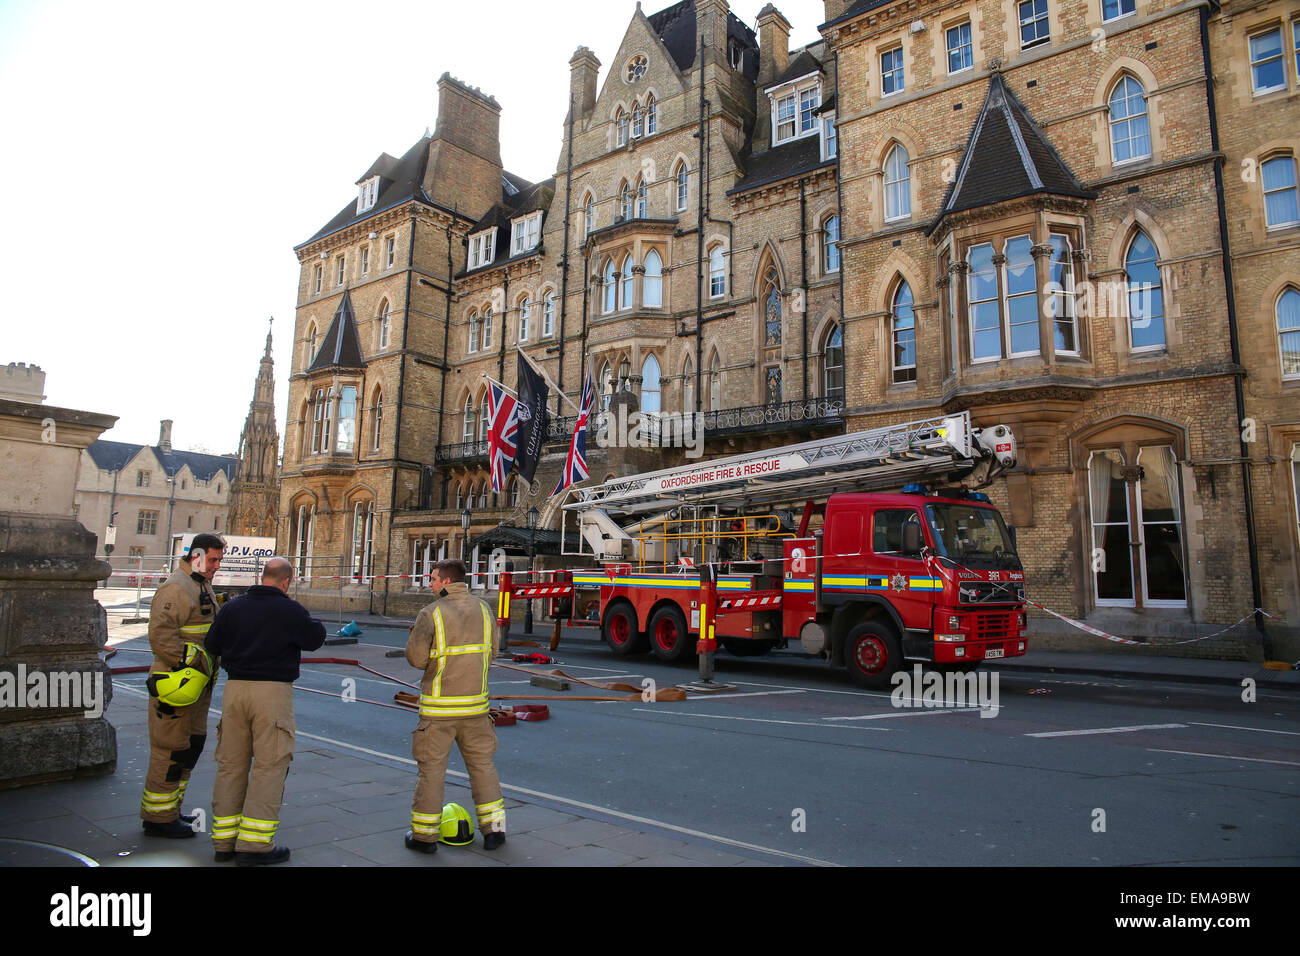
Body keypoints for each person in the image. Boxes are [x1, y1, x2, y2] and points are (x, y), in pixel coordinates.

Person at [205, 557, 325, 865]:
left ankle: (224, 841)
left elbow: (212, 643)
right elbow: (314, 639)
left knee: (231, 763)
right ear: (286, 581)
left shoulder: (233, 607)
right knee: (269, 765)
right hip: (271, 693)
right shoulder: (291, 610)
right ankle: (255, 845)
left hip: (234, 691)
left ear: (263, 577)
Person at [404, 559, 506, 853]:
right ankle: (495, 831)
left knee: (432, 771)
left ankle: (424, 837)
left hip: (439, 711)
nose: (430, 583)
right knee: (483, 767)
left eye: (434, 578)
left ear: (447, 582)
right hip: (476, 708)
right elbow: (493, 651)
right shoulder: (485, 610)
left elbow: (416, 659)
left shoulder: (431, 613)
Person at [140, 533, 225, 838]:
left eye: (219, 560)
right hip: (177, 684)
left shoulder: (200, 583)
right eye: (213, 560)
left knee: (191, 746)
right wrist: (189, 664)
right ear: (197, 555)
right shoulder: (177, 586)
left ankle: (170, 809)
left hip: (198, 685)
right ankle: (158, 818)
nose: (216, 566)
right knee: (171, 749)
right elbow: (161, 636)